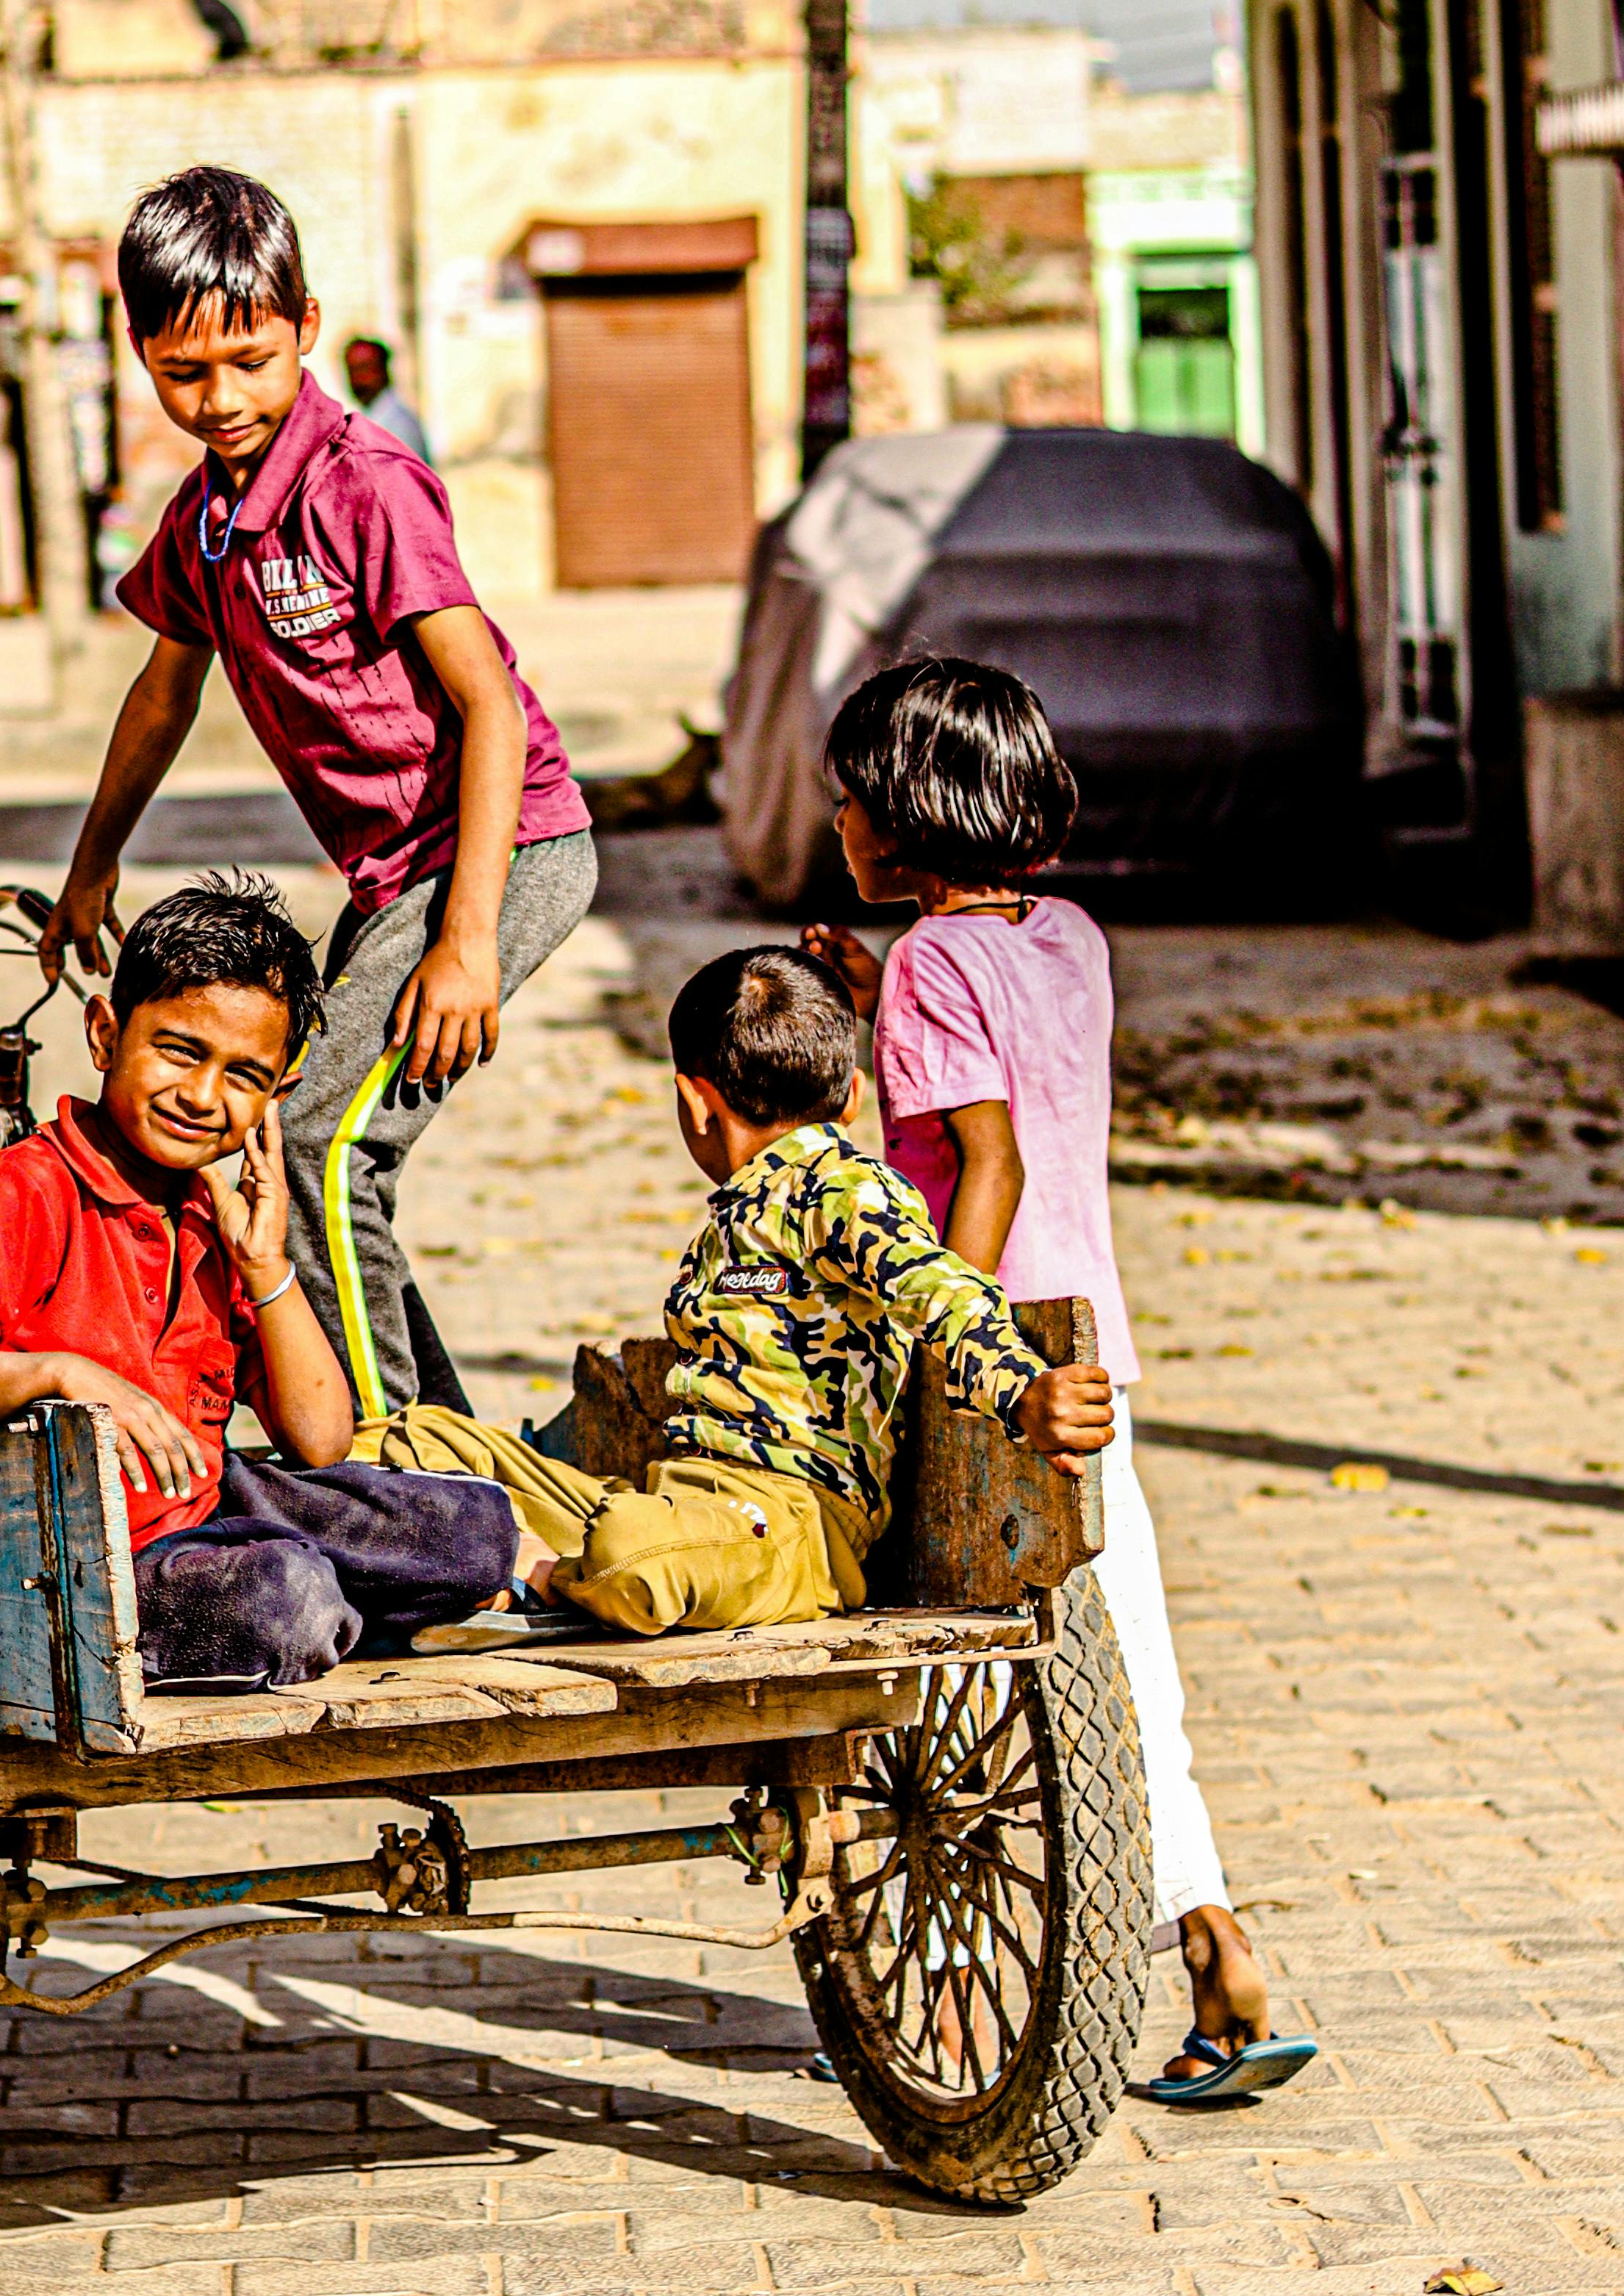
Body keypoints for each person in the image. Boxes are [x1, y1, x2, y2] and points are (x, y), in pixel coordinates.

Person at [802, 653, 1316, 2107]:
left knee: (955, 1680)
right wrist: (873, 1000)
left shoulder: (923, 966)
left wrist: (942, 1348)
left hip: (998, 1363)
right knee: (1125, 1655)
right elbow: (1004, 1085)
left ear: (897, 819)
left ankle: (958, 1999)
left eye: (846, 800)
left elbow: (983, 1161)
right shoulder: (1068, 938)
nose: (835, 824)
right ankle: (1209, 1939)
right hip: (1098, 1346)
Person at [46, 166, 595, 1427]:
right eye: (186, 374)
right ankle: (457, 1465)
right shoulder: (206, 522)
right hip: (391, 880)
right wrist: (91, 870)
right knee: (314, 1148)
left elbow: (490, 706)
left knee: (321, 1152)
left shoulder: (366, 484)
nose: (222, 399)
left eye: (249, 360)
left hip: (504, 851)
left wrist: (466, 942)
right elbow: (159, 697)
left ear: (304, 325)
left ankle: (388, 1483)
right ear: (142, 356)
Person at [372, 949, 1110, 1637]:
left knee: (631, 1551)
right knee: (423, 1436)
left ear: (693, 1104)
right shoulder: (732, 1219)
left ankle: (531, 1576)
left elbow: (942, 1286)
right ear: (853, 1096)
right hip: (678, 1504)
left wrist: (1021, 1393)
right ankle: (517, 1562)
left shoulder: (841, 1187)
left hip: (788, 1530)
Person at [0, 878, 518, 1684]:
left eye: (242, 1075)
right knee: (287, 1597)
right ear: (104, 1035)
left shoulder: (212, 1217)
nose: (201, 1096)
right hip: (83, 1564)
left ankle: (330, 1608)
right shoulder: (22, 1188)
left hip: (210, 1512)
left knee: (473, 1530)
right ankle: (327, 1615)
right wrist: (65, 1373)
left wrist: (266, 1268)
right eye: (179, 1050)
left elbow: (321, 1439)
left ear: (278, 1093)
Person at [339, 329, 436, 470]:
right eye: (352, 370)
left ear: (383, 369)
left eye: (365, 368)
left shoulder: (398, 426)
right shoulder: (368, 419)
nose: (358, 379)